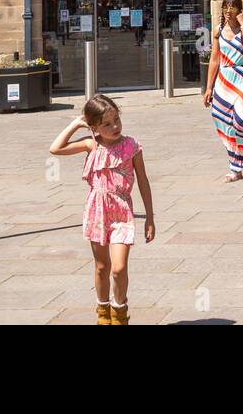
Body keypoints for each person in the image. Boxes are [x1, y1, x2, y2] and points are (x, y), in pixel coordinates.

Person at [49, 94, 154, 325]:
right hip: (97, 212)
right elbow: (55, 149)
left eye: (116, 119)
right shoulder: (91, 144)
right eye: (106, 123)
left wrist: (150, 217)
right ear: (94, 126)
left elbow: (144, 181)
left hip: (122, 212)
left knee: (118, 268)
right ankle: (103, 313)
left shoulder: (132, 146)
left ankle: (120, 313)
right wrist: (76, 123)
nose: (114, 126)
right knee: (101, 267)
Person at [203, 0, 243, 182]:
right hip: (225, 77)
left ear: (239, 9)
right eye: (225, 7)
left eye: (232, 7)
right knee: (223, 120)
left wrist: (242, 24)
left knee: (240, 117)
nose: (228, 11)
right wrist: (209, 88)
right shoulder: (218, 29)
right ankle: (237, 166)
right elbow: (214, 60)